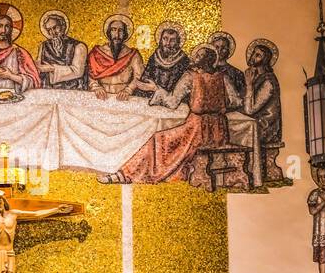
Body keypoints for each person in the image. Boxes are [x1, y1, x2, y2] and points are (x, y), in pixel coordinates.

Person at [100, 46, 233, 184]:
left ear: (208, 60)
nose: (195, 58)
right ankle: (127, 174)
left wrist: (155, 88)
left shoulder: (191, 76)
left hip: (196, 129)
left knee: (159, 139)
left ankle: (126, 174)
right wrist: (215, 109)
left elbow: (172, 101)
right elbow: (235, 101)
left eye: (199, 56)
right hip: (219, 130)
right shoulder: (223, 77)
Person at [242, 37, 284, 182]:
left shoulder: (268, 81)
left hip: (266, 125)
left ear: (265, 60)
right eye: (254, 53)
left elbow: (250, 110)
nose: (253, 57)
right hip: (255, 121)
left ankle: (247, 173)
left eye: (258, 55)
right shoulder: (255, 76)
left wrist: (248, 86)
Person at [88, 15, 146, 99]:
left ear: (125, 34)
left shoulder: (133, 54)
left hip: (123, 97)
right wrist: (96, 87)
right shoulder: (97, 53)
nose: (117, 34)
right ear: (108, 32)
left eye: (121, 31)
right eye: (113, 30)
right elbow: (90, 73)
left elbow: (139, 76)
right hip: (101, 95)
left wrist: (128, 90)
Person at [136, 21, 190, 97]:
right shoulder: (155, 56)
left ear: (177, 42)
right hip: (149, 96)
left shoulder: (183, 60)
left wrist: (155, 88)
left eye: (172, 40)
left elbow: (178, 89)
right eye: (165, 38)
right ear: (160, 40)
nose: (167, 43)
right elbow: (146, 75)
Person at [36, 10, 88, 89]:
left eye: (55, 27)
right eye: (49, 30)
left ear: (63, 26)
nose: (53, 32)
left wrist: (52, 68)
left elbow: (78, 72)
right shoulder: (44, 46)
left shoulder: (79, 46)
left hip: (72, 90)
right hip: (48, 89)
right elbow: (38, 66)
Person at [208, 31, 245, 106]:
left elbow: (241, 95)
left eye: (223, 48)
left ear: (228, 50)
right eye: (216, 47)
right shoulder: (205, 70)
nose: (219, 50)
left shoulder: (237, 73)